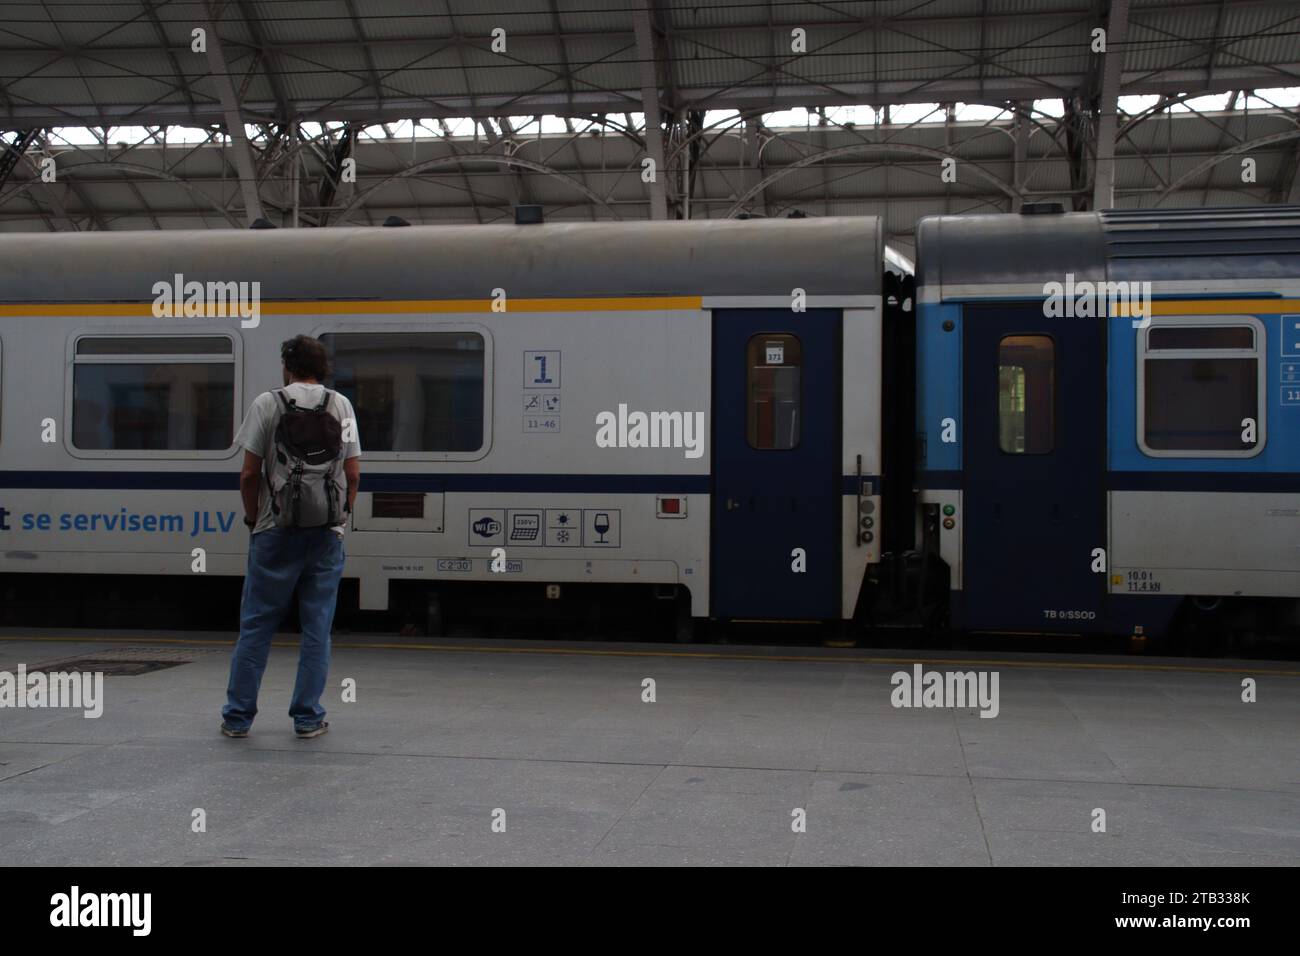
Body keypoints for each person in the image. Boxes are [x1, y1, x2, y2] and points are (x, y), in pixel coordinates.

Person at [220, 335, 361, 739]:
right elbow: (352, 473)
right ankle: (307, 717)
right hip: (325, 534)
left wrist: (253, 519)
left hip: (272, 529)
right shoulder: (341, 405)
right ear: (323, 368)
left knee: (257, 625)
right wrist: (340, 519)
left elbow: (248, 474)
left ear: (287, 366)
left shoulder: (267, 403)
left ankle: (238, 718)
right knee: (317, 626)